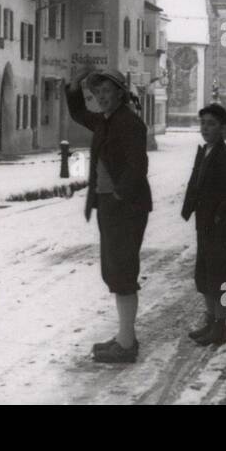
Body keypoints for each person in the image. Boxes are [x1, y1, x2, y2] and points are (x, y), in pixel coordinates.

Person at [67, 69, 152, 364]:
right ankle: (125, 337)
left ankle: (126, 345)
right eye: (97, 93)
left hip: (126, 207)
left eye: (107, 92)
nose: (101, 97)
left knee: (123, 272)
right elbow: (78, 112)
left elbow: (138, 166)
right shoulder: (106, 121)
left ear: (120, 93)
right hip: (110, 205)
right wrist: (75, 85)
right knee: (115, 271)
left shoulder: (130, 123)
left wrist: (119, 196)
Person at [181, 103, 226, 347]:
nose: (205, 128)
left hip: (218, 226)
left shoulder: (225, 156)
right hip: (204, 223)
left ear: (222, 128)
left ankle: (221, 325)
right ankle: (210, 321)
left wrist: (219, 214)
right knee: (205, 273)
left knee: (221, 276)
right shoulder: (205, 151)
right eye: (203, 123)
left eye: (211, 124)